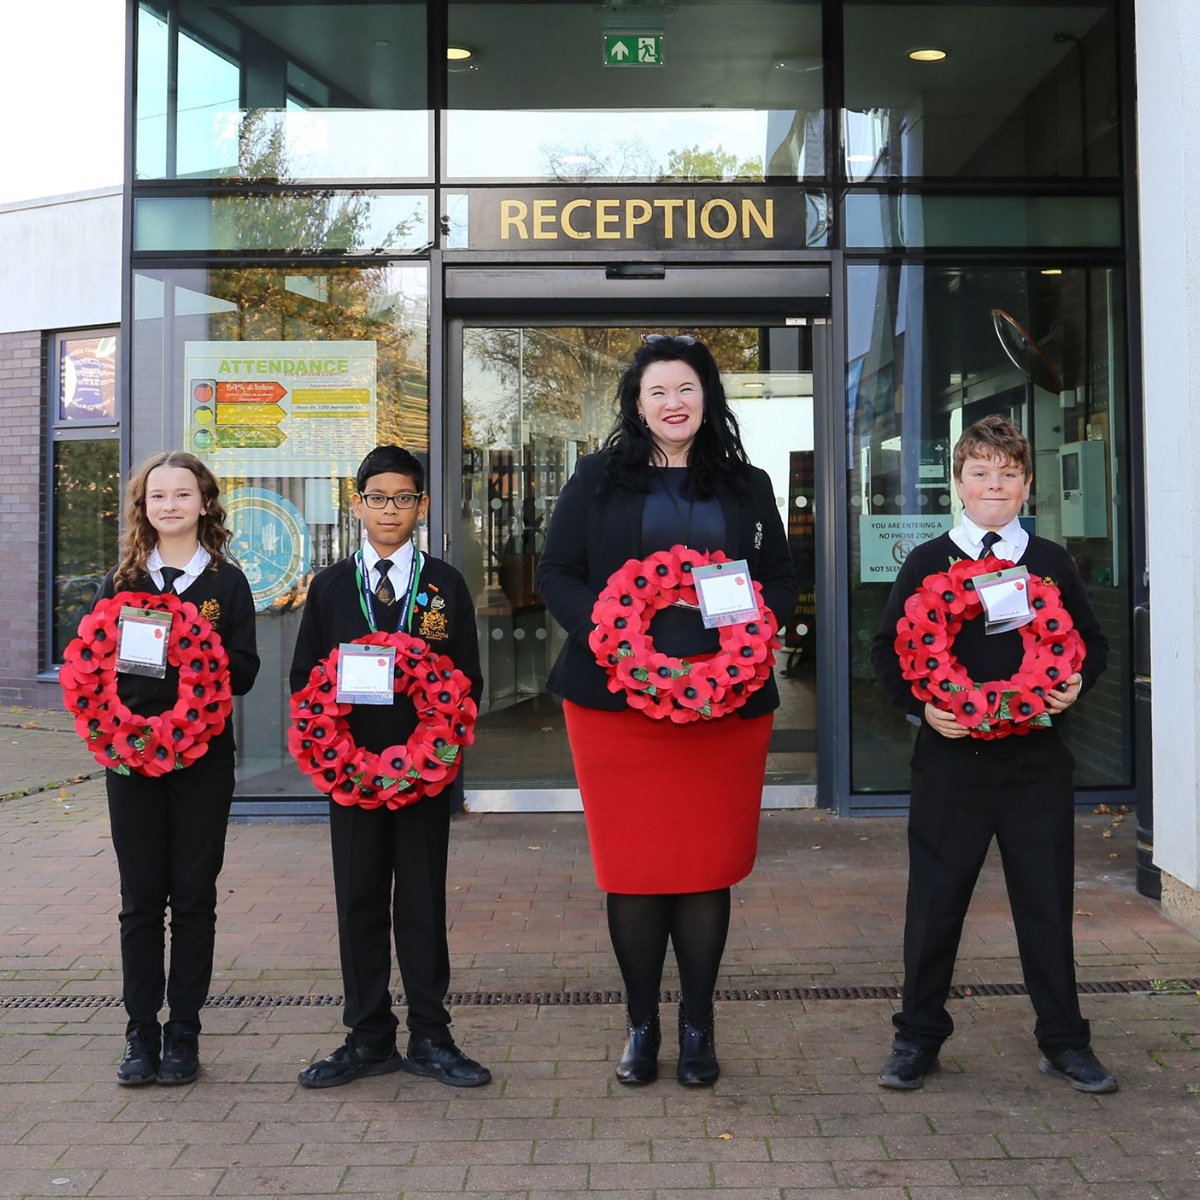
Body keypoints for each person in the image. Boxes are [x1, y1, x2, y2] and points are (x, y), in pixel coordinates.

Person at [535, 334, 799, 1086]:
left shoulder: (747, 486)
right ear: (637, 402)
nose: (672, 402)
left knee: (703, 863)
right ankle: (642, 1025)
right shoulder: (596, 479)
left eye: (686, 388)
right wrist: (610, 635)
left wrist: (752, 625)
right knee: (636, 867)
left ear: (707, 397)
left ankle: (699, 1027)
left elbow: (778, 580)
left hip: (725, 704)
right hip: (616, 703)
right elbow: (557, 572)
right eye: (657, 391)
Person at [870, 414, 1116, 1093]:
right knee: (935, 906)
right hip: (952, 764)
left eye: (1008, 474)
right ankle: (917, 1038)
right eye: (980, 472)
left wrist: (1074, 685)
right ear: (958, 483)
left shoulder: (1050, 561)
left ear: (1027, 484)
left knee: (1044, 902)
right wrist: (924, 711)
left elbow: (1091, 642)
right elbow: (886, 649)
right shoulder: (928, 562)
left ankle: (1064, 1041)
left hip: (1035, 763)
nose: (994, 485)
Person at [291, 445, 490, 1090]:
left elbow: (468, 680)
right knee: (359, 899)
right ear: (358, 505)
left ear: (422, 506)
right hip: (349, 779)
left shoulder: (444, 587)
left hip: (422, 778)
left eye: (403, 498)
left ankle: (432, 1035)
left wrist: (431, 756)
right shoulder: (327, 588)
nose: (390, 509)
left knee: (423, 904)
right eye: (377, 498)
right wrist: (334, 757)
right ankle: (368, 1036)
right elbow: (303, 683)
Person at [96, 451, 260, 1086]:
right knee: (140, 898)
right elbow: (98, 669)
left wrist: (195, 646)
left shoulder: (227, 583)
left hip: (202, 761)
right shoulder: (121, 583)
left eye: (182, 494)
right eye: (157, 495)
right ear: (144, 507)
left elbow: (244, 674)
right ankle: (140, 1031)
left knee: (193, 896)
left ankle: (184, 1031)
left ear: (205, 503)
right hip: (132, 761)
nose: (170, 505)